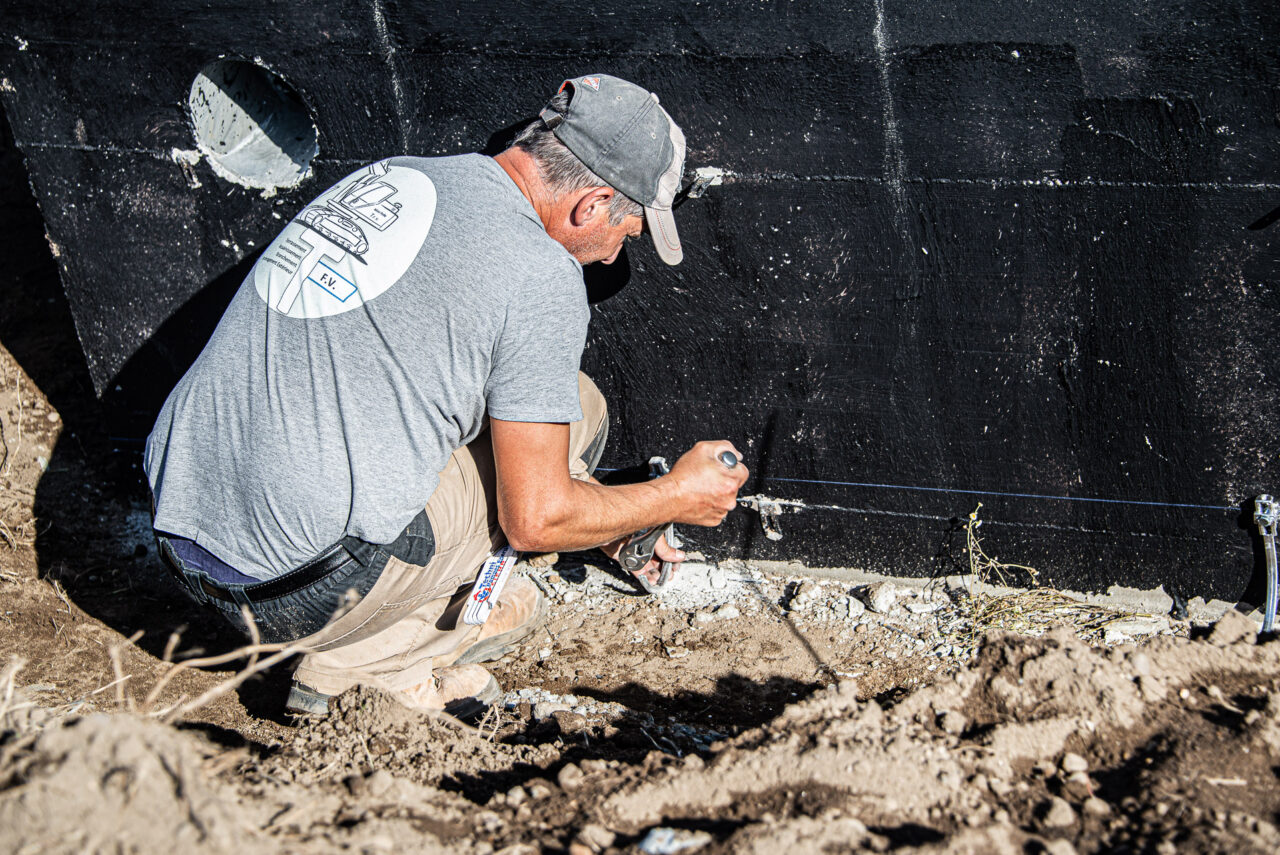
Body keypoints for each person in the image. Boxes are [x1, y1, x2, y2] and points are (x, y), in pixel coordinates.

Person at [144, 73, 749, 717]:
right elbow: (536, 519)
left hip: (178, 534)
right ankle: (375, 661)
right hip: (292, 594)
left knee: (567, 407)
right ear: (592, 205)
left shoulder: (396, 177)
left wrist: (610, 519)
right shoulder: (542, 276)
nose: (610, 257)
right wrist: (675, 496)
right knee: (564, 452)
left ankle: (401, 609)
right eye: (626, 232)